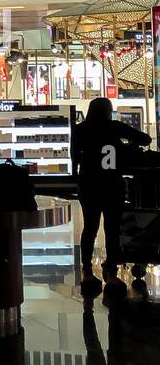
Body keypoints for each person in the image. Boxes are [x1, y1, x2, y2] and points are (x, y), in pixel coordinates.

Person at [72, 97, 151, 292]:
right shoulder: (115, 127)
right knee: (112, 228)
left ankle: (87, 271)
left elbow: (75, 156)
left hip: (88, 183)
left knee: (90, 227)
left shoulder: (80, 129)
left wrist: (79, 177)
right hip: (111, 184)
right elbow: (145, 139)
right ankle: (112, 273)